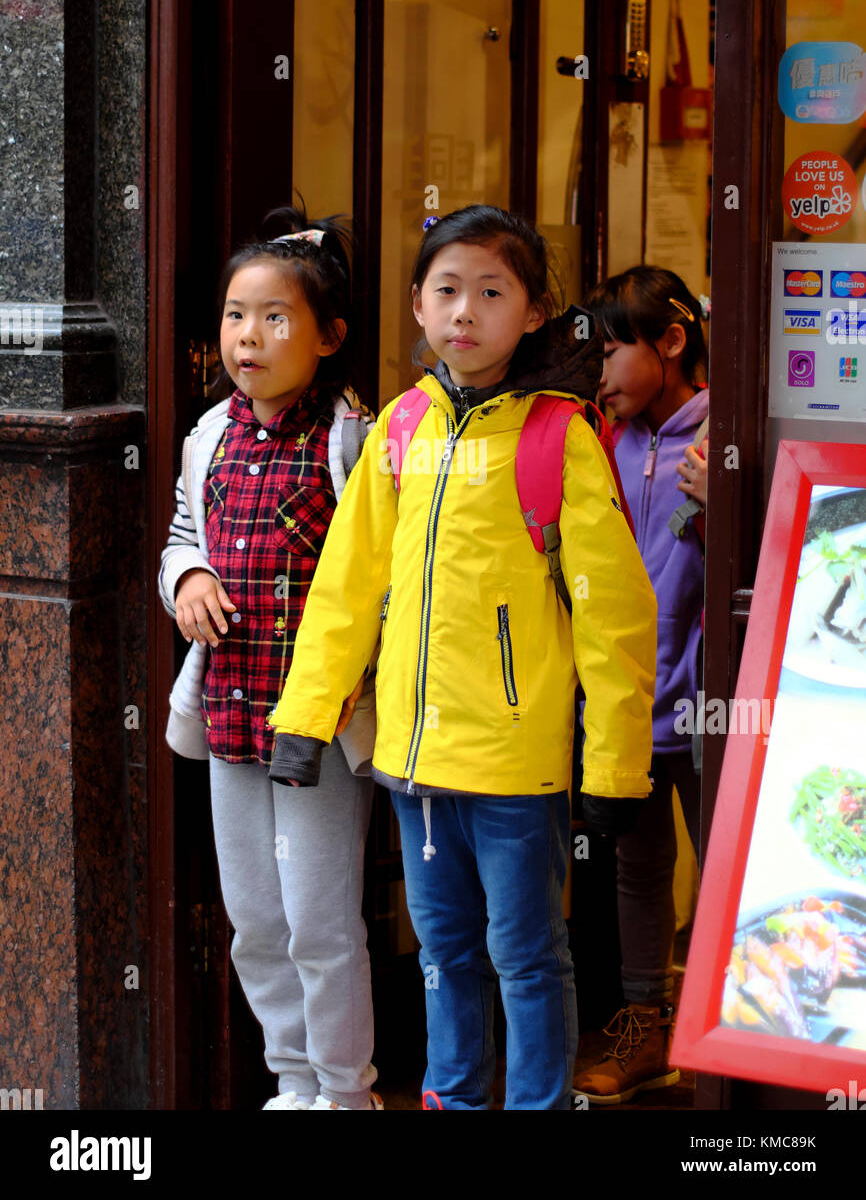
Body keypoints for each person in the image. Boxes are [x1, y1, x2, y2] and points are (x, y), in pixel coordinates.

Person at [267, 205, 656, 1111]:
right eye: (447, 291)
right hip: (413, 759)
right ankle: (452, 1099)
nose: (465, 312)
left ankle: (538, 1105)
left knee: (526, 956)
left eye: (491, 292)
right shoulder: (401, 429)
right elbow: (347, 588)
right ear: (416, 304)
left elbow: (616, 618)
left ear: (533, 312)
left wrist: (616, 766)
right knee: (444, 954)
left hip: (515, 765)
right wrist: (304, 714)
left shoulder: (561, 437)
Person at [158, 207, 382, 1112]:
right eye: (235, 316)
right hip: (229, 714)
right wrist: (190, 579)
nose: (249, 337)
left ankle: (346, 1089)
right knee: (254, 919)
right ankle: (292, 1082)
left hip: (316, 722)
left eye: (275, 317)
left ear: (327, 336)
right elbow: (182, 534)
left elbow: (380, 573)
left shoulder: (352, 438)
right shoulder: (209, 433)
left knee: (320, 923)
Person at [573, 266, 709, 1105]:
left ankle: (742, 1032)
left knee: (723, 860)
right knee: (637, 866)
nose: (601, 371)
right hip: (622, 703)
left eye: (614, 349)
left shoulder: (719, 439)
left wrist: (734, 495)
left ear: (671, 342)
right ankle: (645, 1027)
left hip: (705, 705)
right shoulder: (605, 446)